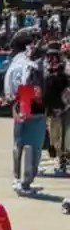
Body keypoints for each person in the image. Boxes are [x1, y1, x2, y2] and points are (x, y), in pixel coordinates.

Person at [5, 34, 47, 196]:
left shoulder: (15, 64)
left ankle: (18, 179)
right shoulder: (33, 67)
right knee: (33, 147)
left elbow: (9, 88)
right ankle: (25, 183)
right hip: (34, 109)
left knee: (19, 143)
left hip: (19, 106)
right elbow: (36, 90)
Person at [44, 47, 68, 176]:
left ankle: (62, 164)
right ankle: (60, 161)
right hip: (51, 111)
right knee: (53, 139)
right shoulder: (49, 73)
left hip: (59, 110)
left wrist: (61, 108)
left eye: (52, 57)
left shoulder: (61, 75)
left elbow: (64, 94)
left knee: (59, 139)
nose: (50, 60)